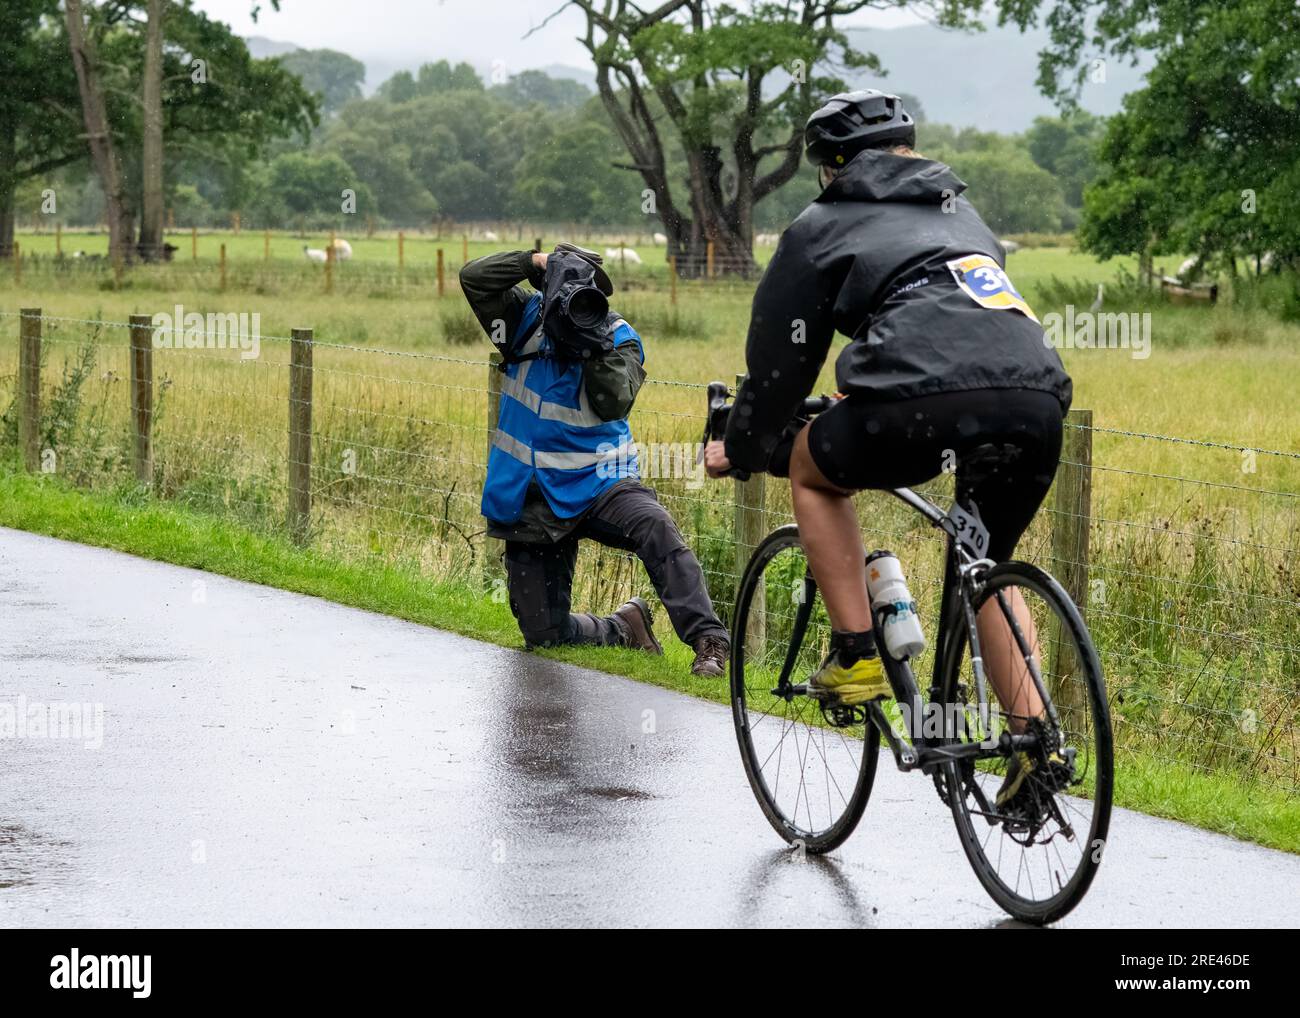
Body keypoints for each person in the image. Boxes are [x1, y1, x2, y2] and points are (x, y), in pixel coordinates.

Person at [703, 90, 1074, 811]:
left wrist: (742, 447)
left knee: (812, 469)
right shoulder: (961, 213)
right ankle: (1036, 746)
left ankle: (855, 653)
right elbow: (952, 322)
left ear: (830, 168)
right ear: (908, 150)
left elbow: (780, 365)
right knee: (983, 558)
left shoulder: (821, 224)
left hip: (917, 403)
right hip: (1035, 400)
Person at [462, 244, 730, 677]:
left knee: (655, 527)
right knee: (544, 636)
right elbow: (473, 277)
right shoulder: (520, 320)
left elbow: (614, 402)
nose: (573, 297)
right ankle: (624, 627)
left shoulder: (619, 336)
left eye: (582, 288)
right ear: (544, 287)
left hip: (602, 480)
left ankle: (710, 643)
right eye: (563, 284)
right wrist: (535, 262)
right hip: (532, 492)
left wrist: (588, 344)